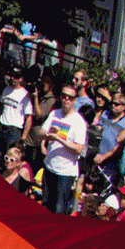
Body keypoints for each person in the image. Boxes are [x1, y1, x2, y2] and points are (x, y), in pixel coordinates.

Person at [35, 85, 86, 216]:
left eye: (70, 97)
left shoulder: (79, 122)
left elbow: (79, 148)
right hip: (50, 166)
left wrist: (60, 140)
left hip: (65, 172)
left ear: (74, 100)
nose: (66, 100)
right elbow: (41, 132)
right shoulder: (54, 114)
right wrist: (46, 135)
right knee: (46, 205)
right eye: (64, 96)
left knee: (59, 209)